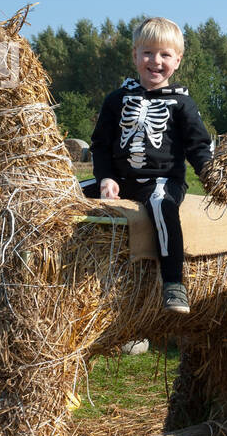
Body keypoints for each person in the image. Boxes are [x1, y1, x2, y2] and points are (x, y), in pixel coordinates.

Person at [83, 17, 213, 313]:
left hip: (162, 181)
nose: (156, 61)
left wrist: (209, 173)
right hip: (121, 181)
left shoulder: (182, 104)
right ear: (135, 56)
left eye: (165, 54)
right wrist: (105, 177)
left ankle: (173, 284)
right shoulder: (117, 100)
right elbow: (101, 145)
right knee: (66, 193)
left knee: (161, 205)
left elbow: (197, 146)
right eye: (148, 53)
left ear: (177, 61)